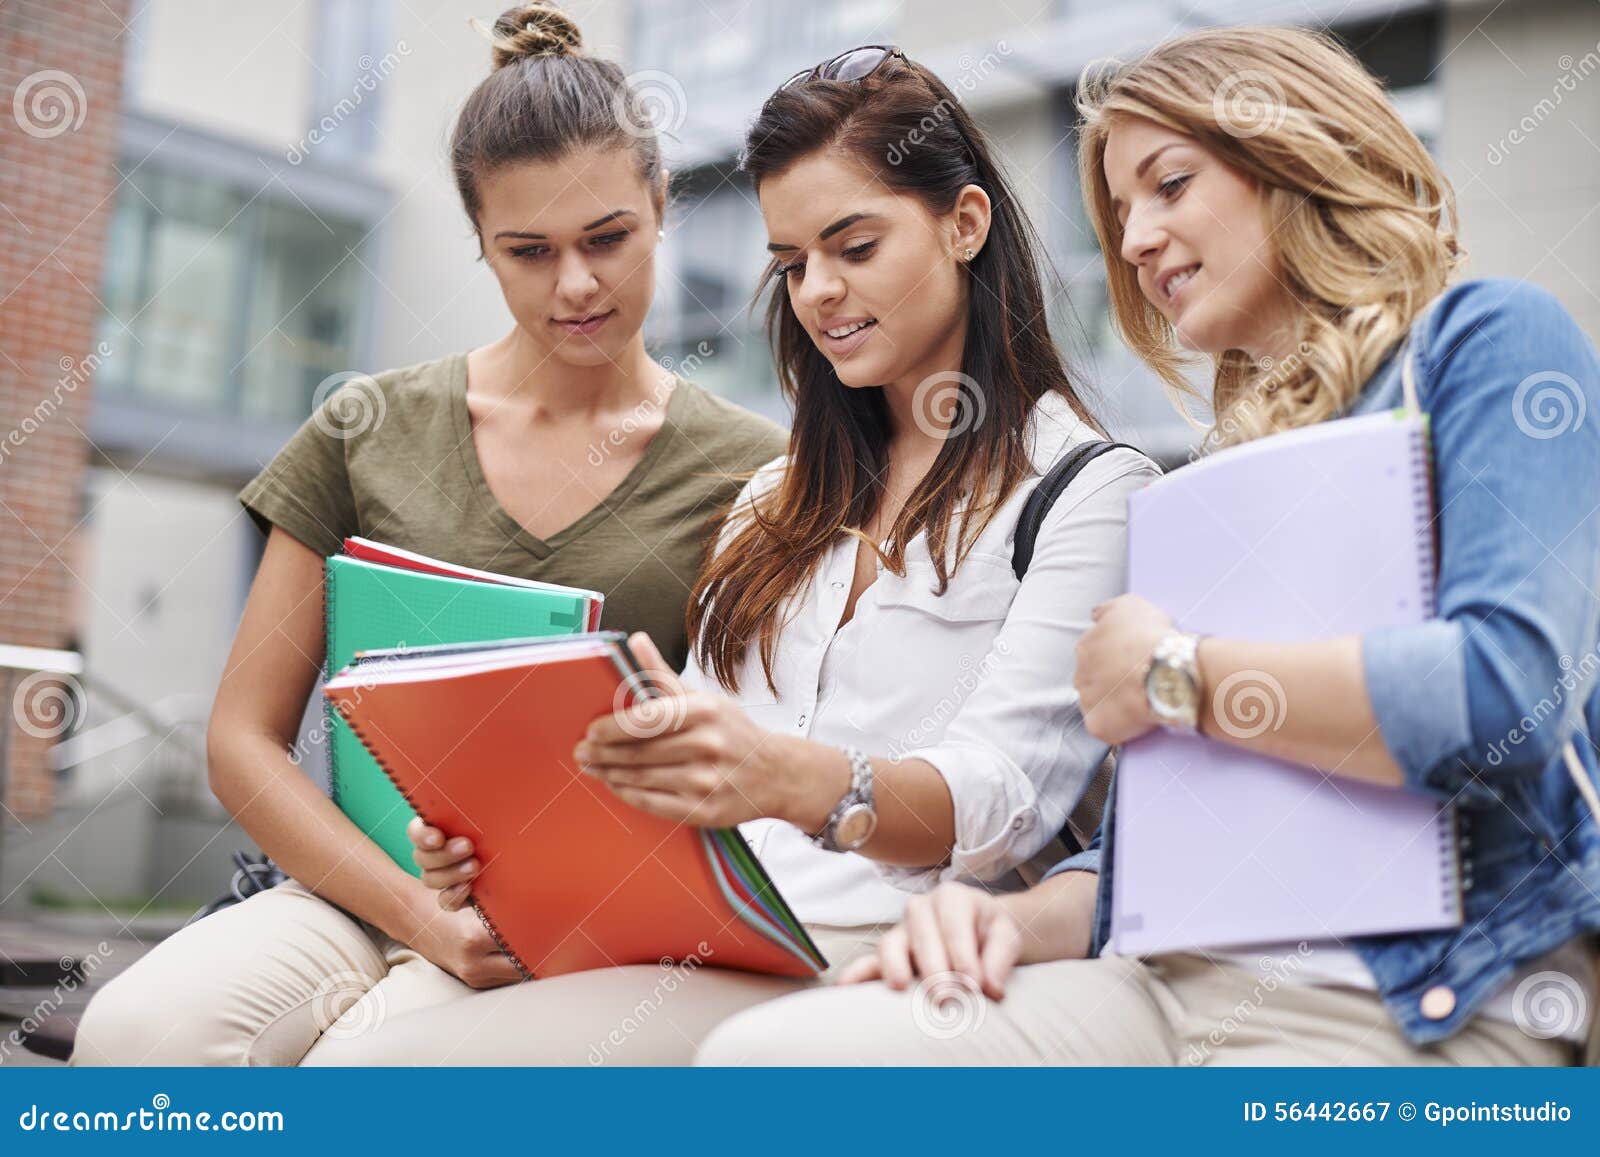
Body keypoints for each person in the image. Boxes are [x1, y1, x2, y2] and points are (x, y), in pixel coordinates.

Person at [694, 25, 1600, 1068]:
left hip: (1415, 1000)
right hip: (1160, 983)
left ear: (1294, 158)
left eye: (1168, 185)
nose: (1131, 240)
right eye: (1120, 211)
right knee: (765, 1065)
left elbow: (1505, 692)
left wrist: (1178, 674)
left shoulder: (1487, 342)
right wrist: (1005, 918)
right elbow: (1145, 850)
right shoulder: (1219, 467)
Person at [296, 42, 1158, 1064]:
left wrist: (794, 778)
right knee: (349, 1040)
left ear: (964, 223)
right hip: (698, 929)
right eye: (792, 263)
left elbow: (999, 803)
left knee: (372, 1071)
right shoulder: (772, 500)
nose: (819, 291)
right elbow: (693, 775)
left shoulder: (1088, 490)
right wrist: (508, 825)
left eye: (854, 246)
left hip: (881, 947)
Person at [69, 2, 786, 1067]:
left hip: (587, 924)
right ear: (480, 245)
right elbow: (240, 737)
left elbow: (752, 763)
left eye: (607, 238)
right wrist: (412, 911)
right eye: (528, 250)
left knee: (365, 1074)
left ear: (661, 204)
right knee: (133, 1037)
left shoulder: (754, 470)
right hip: (355, 891)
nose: (576, 284)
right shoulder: (367, 427)